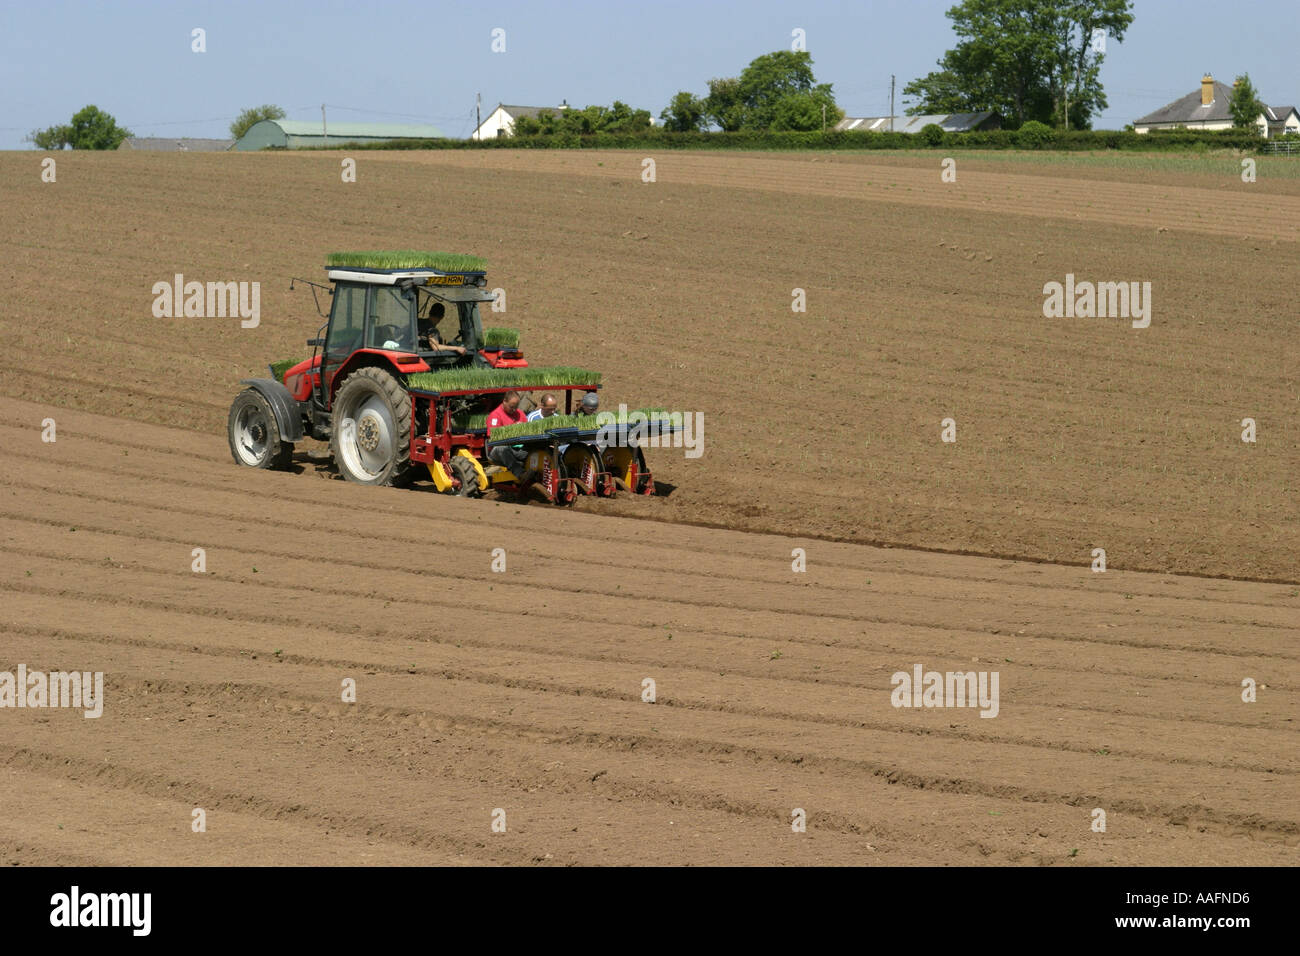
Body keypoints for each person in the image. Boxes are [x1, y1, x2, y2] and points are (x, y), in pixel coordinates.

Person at [486, 390, 532, 483]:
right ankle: (520, 474)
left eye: (516, 406)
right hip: (497, 451)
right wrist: (512, 430)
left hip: (517, 448)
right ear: (504, 401)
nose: (514, 409)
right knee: (502, 448)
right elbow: (493, 437)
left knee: (534, 448)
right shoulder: (495, 415)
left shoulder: (520, 414)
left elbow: (528, 431)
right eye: (512, 406)